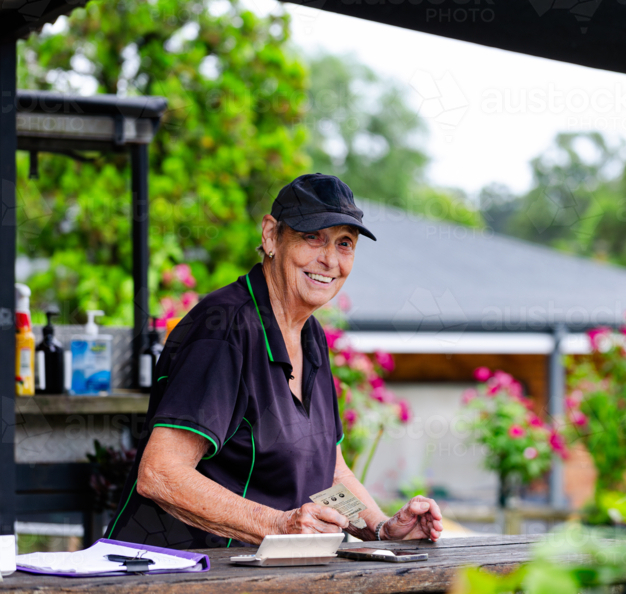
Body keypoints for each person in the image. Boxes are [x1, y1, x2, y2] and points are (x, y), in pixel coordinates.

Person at [106, 174, 443, 549]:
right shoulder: (223, 327)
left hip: (254, 578)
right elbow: (160, 473)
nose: (329, 259)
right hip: (171, 575)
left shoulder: (310, 335)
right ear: (270, 236)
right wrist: (278, 524)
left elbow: (329, 473)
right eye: (312, 236)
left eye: (344, 243)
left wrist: (380, 528)